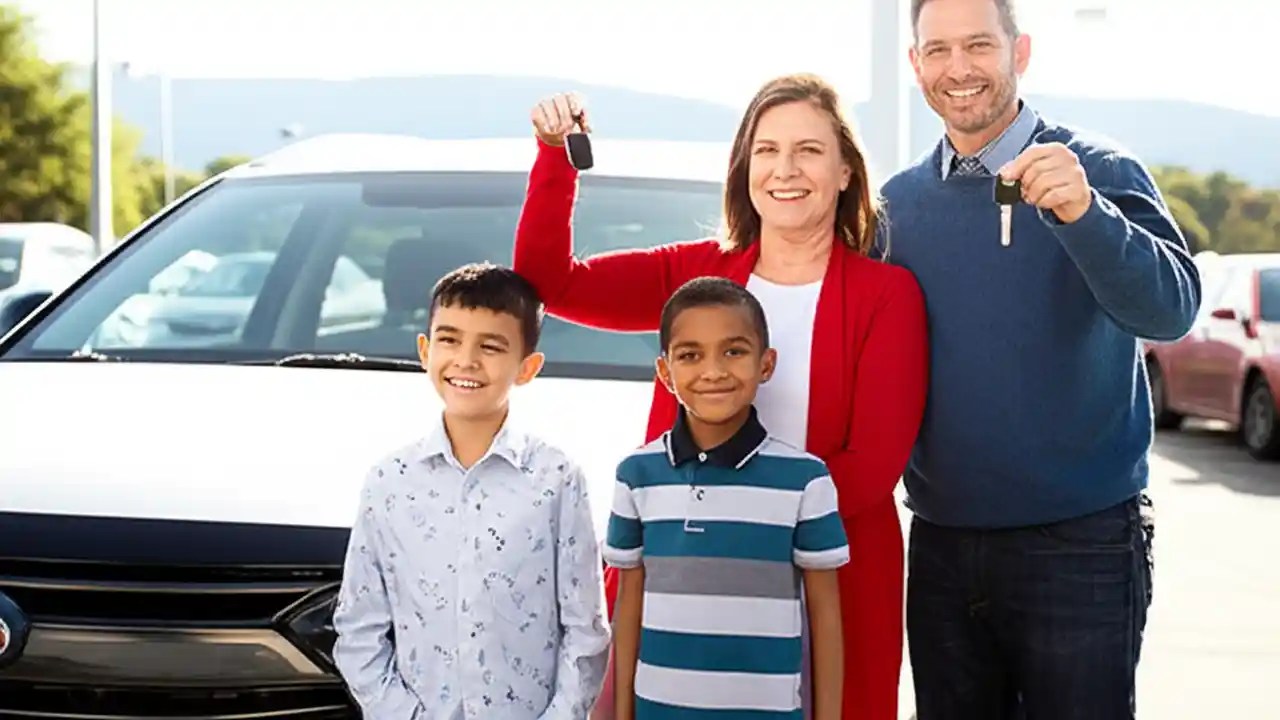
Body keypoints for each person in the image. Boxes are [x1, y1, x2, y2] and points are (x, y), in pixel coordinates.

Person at [515, 74, 929, 720]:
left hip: (831, 583)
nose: (785, 170)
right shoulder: (697, 275)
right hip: (682, 578)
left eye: (809, 151)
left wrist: (738, 525)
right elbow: (548, 282)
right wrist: (552, 158)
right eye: (767, 151)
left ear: (846, 170)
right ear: (744, 167)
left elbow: (873, 469)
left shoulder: (888, 295)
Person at [878, 0, 1202, 717]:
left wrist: (1088, 215)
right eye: (937, 51)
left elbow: (1171, 311)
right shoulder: (898, 204)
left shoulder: (1103, 170)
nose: (957, 69)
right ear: (916, 66)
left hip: (1080, 547)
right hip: (941, 545)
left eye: (977, 46)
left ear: (1019, 53)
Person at [331, 262, 611, 719]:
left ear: (527, 367)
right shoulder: (389, 481)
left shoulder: (557, 478)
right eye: (450, 339)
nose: (466, 360)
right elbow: (358, 630)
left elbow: (585, 631)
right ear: (424, 350)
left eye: (491, 346)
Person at [603, 276, 849, 720]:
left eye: (733, 351)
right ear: (665, 371)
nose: (713, 371)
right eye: (690, 355)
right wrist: (622, 713)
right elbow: (629, 604)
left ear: (766, 363)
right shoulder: (636, 475)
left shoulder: (805, 480)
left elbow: (826, 618)